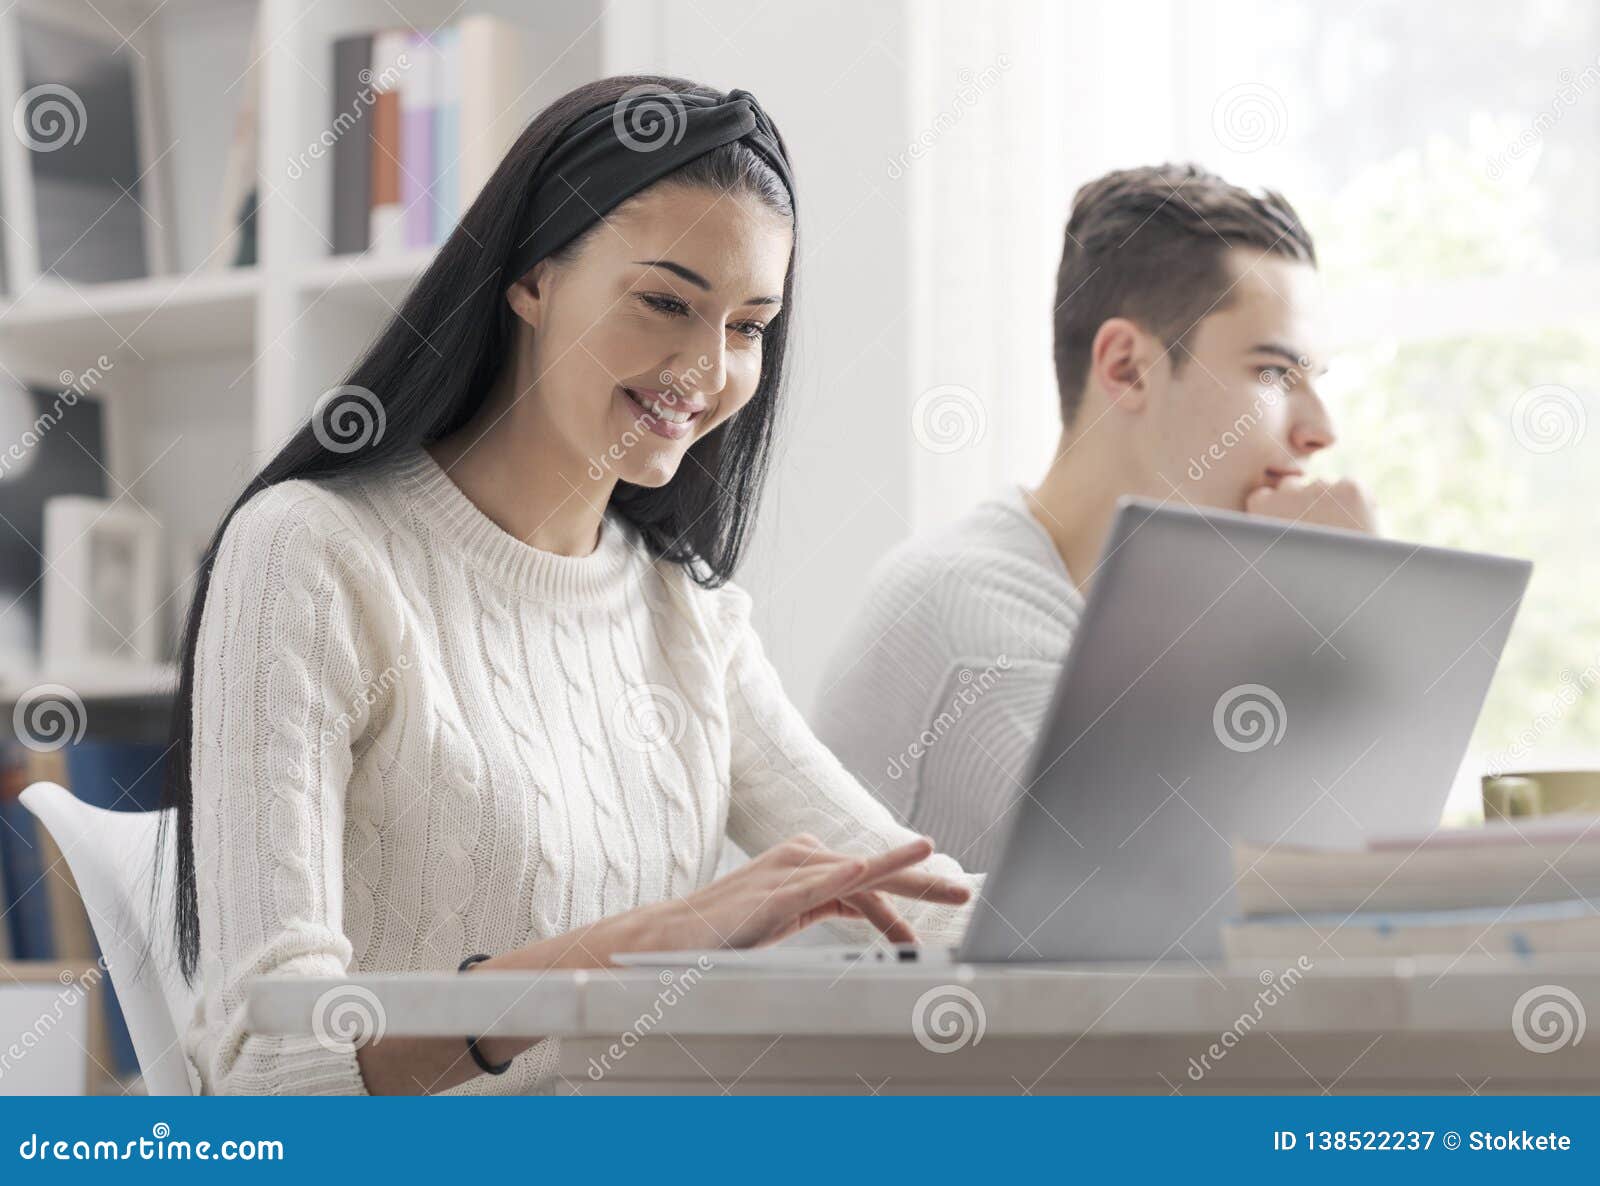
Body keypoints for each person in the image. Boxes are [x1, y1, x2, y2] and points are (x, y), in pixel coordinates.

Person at [158, 76, 975, 1097]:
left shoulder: (685, 612)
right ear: (531, 279)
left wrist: (1211, 903)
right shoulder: (311, 553)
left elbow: (910, 897)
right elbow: (272, 1066)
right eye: (666, 302)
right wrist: (647, 943)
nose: (705, 367)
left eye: (749, 326)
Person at [814, 164, 1379, 873]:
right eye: (1273, 373)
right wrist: (1325, 614)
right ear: (1128, 368)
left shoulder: (1155, 626)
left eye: (1315, 380)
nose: (1320, 430)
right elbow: (1200, 899)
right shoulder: (968, 612)